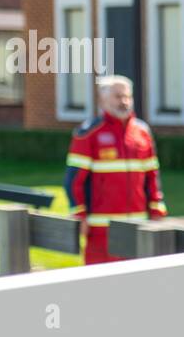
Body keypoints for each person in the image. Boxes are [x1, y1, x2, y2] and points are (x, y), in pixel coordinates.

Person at [63, 75, 168, 264]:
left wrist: (156, 208)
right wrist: (79, 215)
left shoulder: (142, 132)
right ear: (103, 100)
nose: (125, 102)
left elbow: (152, 176)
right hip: (102, 230)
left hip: (139, 226)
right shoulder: (88, 133)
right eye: (118, 97)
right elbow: (73, 180)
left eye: (128, 97)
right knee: (100, 287)